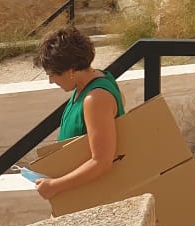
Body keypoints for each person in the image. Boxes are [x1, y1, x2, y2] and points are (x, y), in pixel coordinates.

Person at [30, 26, 125, 201]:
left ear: (71, 70)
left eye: (52, 74)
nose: (51, 81)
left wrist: (55, 185)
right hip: (80, 193)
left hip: (92, 198)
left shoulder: (95, 98)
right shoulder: (88, 85)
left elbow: (102, 161)